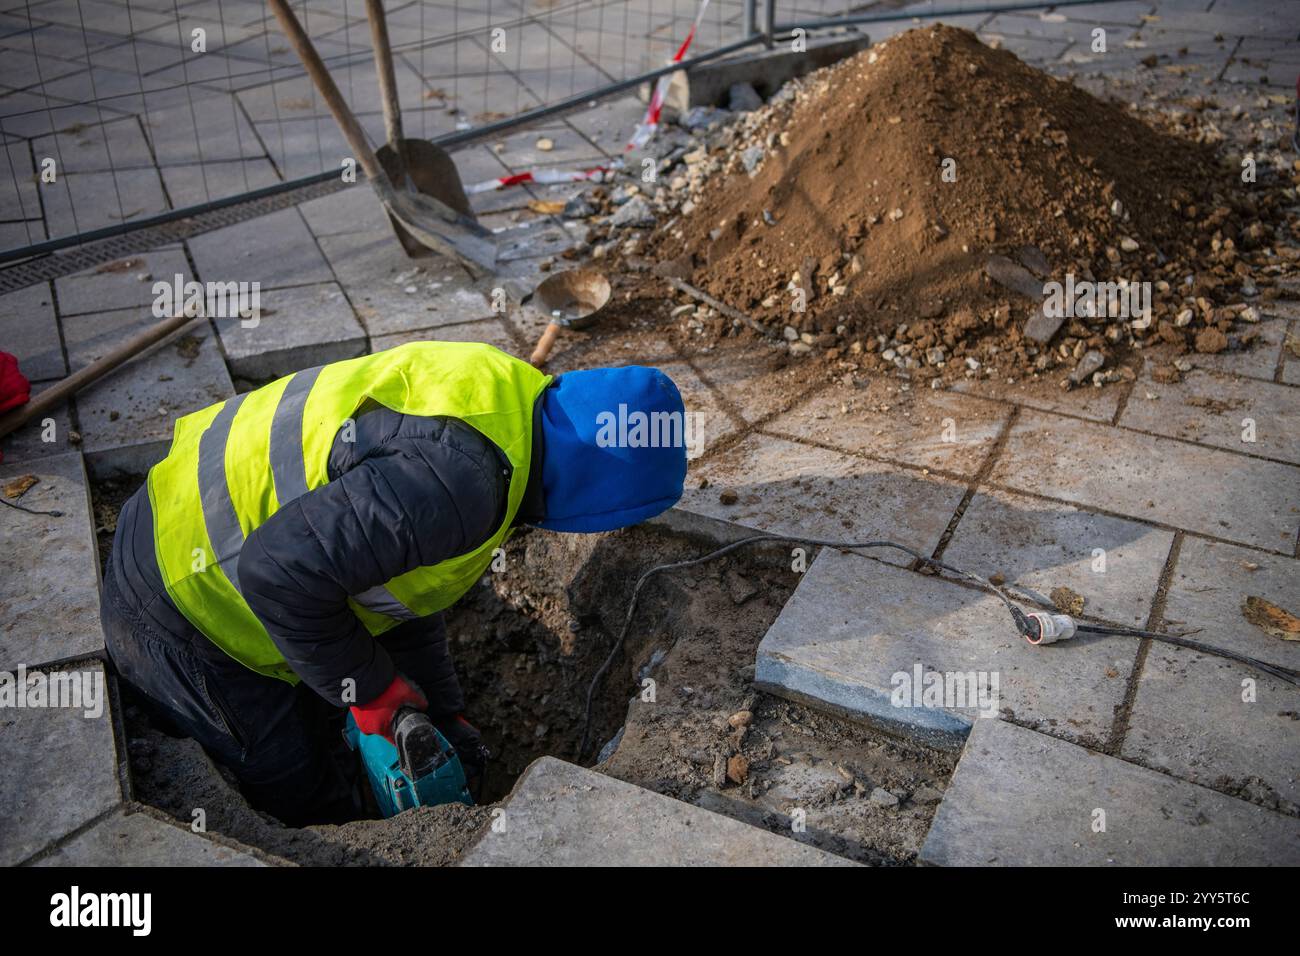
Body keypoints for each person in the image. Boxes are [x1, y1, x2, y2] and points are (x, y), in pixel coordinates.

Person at [101, 341, 687, 825]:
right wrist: (376, 693)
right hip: (179, 598)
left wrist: (442, 709)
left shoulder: (506, 400)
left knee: (334, 705)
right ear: (594, 495)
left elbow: (393, 581)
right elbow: (275, 575)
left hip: (177, 510)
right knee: (303, 795)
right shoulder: (464, 484)